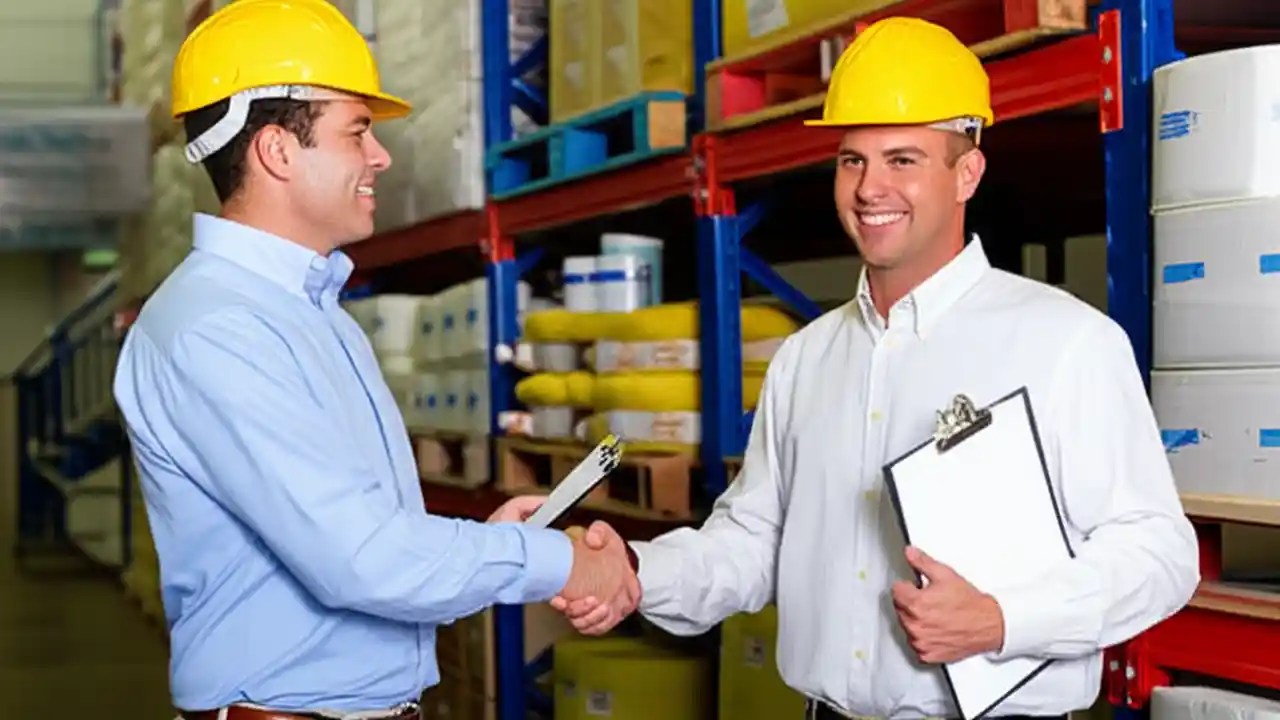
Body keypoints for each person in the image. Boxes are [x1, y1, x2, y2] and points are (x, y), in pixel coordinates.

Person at [552, 16, 1200, 720]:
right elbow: (753, 543)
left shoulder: (1065, 343)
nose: (869, 188)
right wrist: (639, 571)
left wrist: (1002, 619)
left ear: (967, 173)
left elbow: (1160, 555)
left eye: (903, 159)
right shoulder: (805, 360)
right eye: (852, 160)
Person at [111, 1, 637, 718]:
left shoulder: (311, 312)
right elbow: (361, 561)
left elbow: (363, 538)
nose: (380, 156)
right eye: (357, 131)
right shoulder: (217, 328)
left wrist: (492, 548)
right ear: (277, 151)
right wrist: (561, 561)